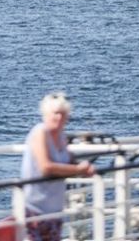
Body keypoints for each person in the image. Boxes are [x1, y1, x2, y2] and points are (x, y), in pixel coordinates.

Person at [20, 92, 95, 241]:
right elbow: (45, 167)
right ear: (46, 114)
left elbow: (68, 162)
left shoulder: (61, 136)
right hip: (35, 209)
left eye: (63, 114)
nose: (59, 117)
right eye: (55, 113)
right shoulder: (40, 132)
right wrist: (78, 170)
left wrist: (84, 168)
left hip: (55, 210)